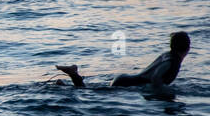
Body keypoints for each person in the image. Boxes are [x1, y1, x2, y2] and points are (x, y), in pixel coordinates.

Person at [56, 31, 190, 91]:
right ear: (188, 48)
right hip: (127, 83)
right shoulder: (173, 61)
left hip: (125, 79)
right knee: (91, 93)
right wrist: (162, 90)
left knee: (93, 91)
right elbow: (155, 77)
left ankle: (65, 83)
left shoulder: (167, 55)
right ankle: (73, 74)